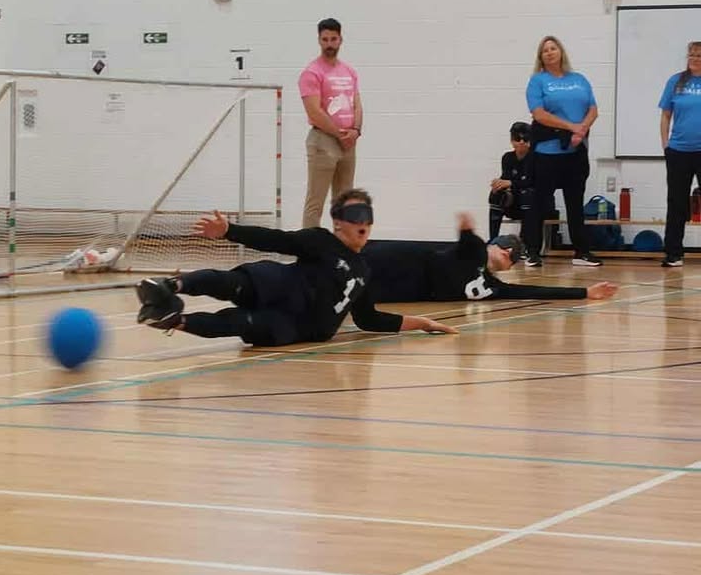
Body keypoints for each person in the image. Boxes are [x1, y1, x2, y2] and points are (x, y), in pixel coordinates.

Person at [135, 189, 456, 347]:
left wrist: (421, 322)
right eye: (356, 217)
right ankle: (168, 286)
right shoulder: (320, 241)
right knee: (229, 281)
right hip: (278, 285)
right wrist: (229, 231)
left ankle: (172, 320)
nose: (364, 225)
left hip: (296, 325)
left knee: (236, 323)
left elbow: (368, 318)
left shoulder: (364, 270)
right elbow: (276, 240)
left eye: (367, 219)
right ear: (339, 223)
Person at [359, 212, 618, 304]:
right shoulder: (474, 250)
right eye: (504, 249)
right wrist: (467, 230)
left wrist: (584, 292)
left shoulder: (493, 287)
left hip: (399, 290)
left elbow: (532, 290)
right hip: (397, 260)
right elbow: (470, 243)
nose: (506, 255)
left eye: (511, 258)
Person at [522, 35, 601, 267]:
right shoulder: (538, 81)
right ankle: (533, 251)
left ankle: (581, 252)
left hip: (575, 152)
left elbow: (593, 109)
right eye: (545, 50)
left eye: (553, 48)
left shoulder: (579, 79)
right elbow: (539, 114)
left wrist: (582, 129)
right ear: (541, 57)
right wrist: (571, 127)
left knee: (575, 202)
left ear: (561, 52)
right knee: (540, 202)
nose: (549, 52)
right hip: (547, 152)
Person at [299, 18, 363, 229]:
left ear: (340, 40)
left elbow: (357, 104)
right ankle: (308, 253)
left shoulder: (349, 72)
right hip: (324, 140)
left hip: (348, 142)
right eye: (325, 39)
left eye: (333, 39)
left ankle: (342, 251)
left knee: (344, 202)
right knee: (315, 202)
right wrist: (338, 134)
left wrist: (355, 130)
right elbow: (314, 112)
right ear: (319, 40)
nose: (329, 44)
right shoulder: (312, 72)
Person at [659, 41, 701, 267]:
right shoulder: (676, 81)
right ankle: (673, 253)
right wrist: (666, 145)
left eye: (699, 55)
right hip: (678, 151)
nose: (694, 58)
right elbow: (666, 115)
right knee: (676, 202)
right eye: (691, 54)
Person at [488, 121, 542, 241]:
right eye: (517, 138)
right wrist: (498, 184)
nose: (521, 142)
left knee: (528, 193)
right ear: (512, 141)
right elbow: (506, 179)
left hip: (534, 202)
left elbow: (535, 182)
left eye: (525, 138)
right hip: (514, 201)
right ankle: (493, 240)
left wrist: (511, 183)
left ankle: (526, 242)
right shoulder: (507, 157)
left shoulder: (537, 158)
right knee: (495, 195)